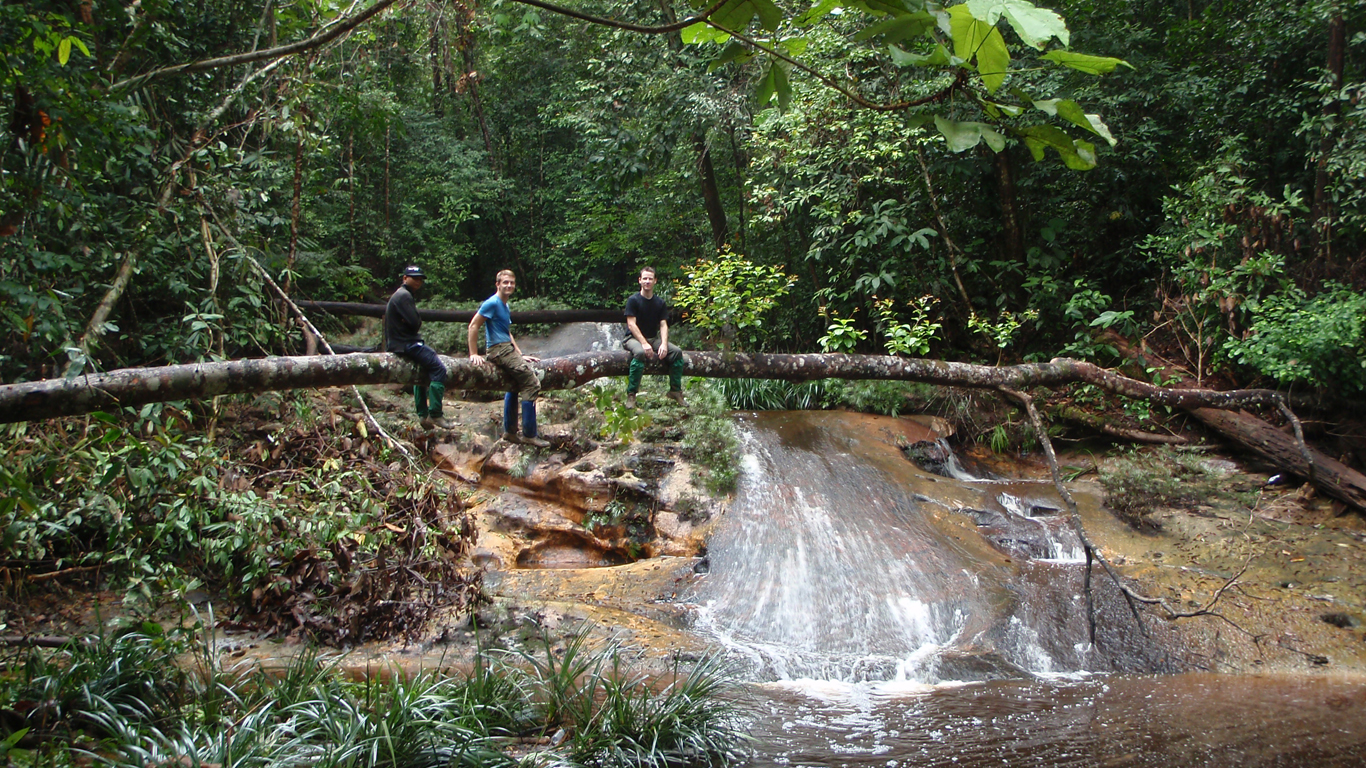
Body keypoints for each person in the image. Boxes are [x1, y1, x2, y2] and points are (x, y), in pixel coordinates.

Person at [468, 270, 550, 448]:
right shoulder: (492, 303)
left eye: (511, 283)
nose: (509, 285)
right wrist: (473, 353)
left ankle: (510, 431)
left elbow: (507, 333)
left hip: (506, 348)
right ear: (497, 284)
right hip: (498, 350)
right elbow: (474, 325)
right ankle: (529, 434)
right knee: (531, 382)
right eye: (505, 282)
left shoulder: (504, 305)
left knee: (513, 383)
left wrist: (519, 354)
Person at [385, 265, 453, 430]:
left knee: (421, 371)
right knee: (438, 369)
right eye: (414, 278)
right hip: (405, 343)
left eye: (420, 279)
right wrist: (412, 321)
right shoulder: (404, 296)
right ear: (404, 278)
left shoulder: (402, 295)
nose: (418, 282)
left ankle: (423, 415)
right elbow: (415, 323)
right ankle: (435, 413)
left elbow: (413, 321)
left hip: (400, 342)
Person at [622, 265, 685, 408]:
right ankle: (631, 395)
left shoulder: (659, 302)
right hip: (632, 339)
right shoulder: (633, 300)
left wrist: (663, 343)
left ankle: (675, 391)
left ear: (655, 281)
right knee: (639, 353)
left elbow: (663, 324)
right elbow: (631, 324)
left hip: (652, 339)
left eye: (650, 279)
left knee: (676, 352)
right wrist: (644, 344)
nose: (647, 281)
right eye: (644, 279)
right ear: (639, 280)